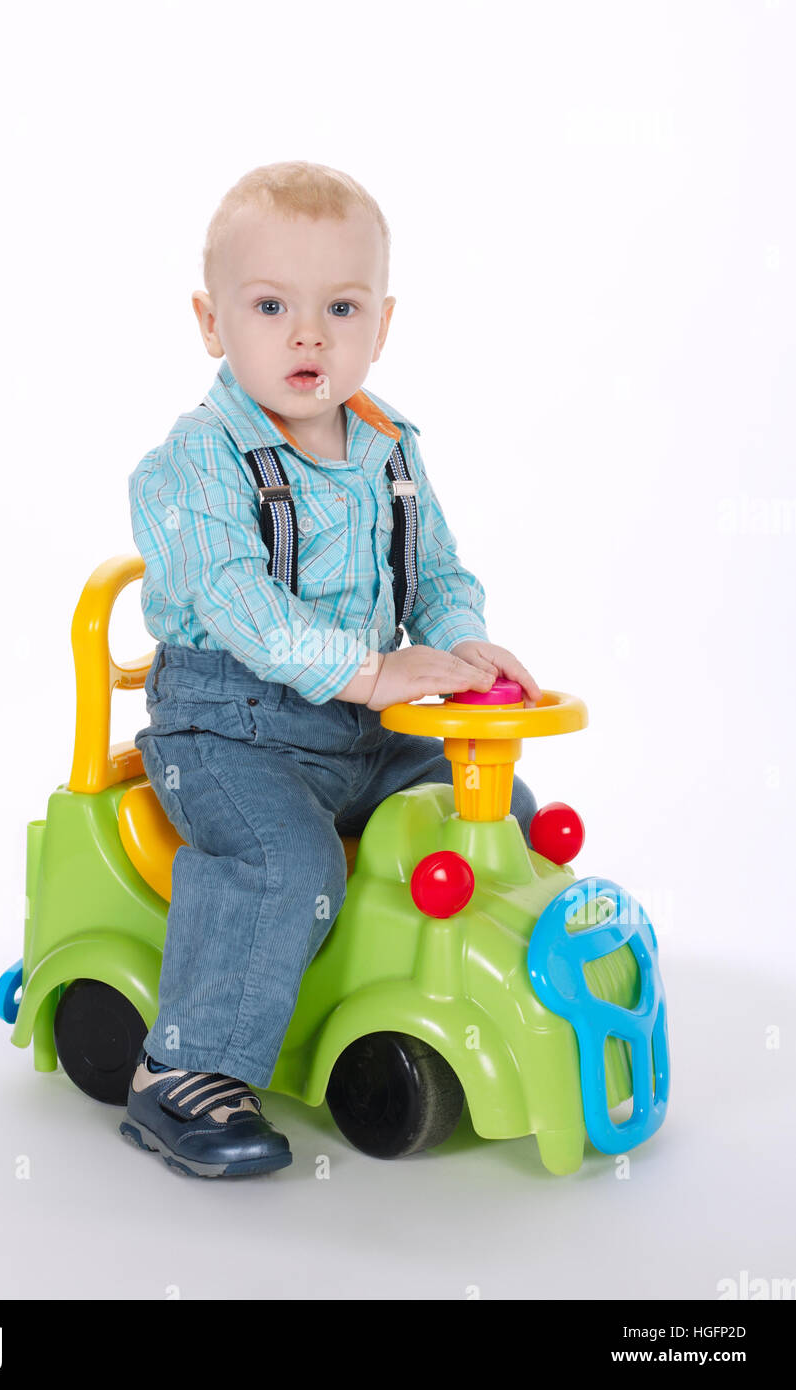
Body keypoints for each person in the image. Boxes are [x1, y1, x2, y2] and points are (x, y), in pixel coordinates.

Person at [123, 161, 542, 1179]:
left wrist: (463, 642)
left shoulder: (392, 448)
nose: (308, 335)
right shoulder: (195, 463)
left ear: (382, 324)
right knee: (286, 860)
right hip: (228, 732)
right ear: (211, 320)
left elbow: (435, 571)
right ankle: (180, 1071)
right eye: (271, 305)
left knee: (498, 805)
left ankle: (451, 997)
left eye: (340, 307)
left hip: (364, 729)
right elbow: (243, 607)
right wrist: (371, 671)